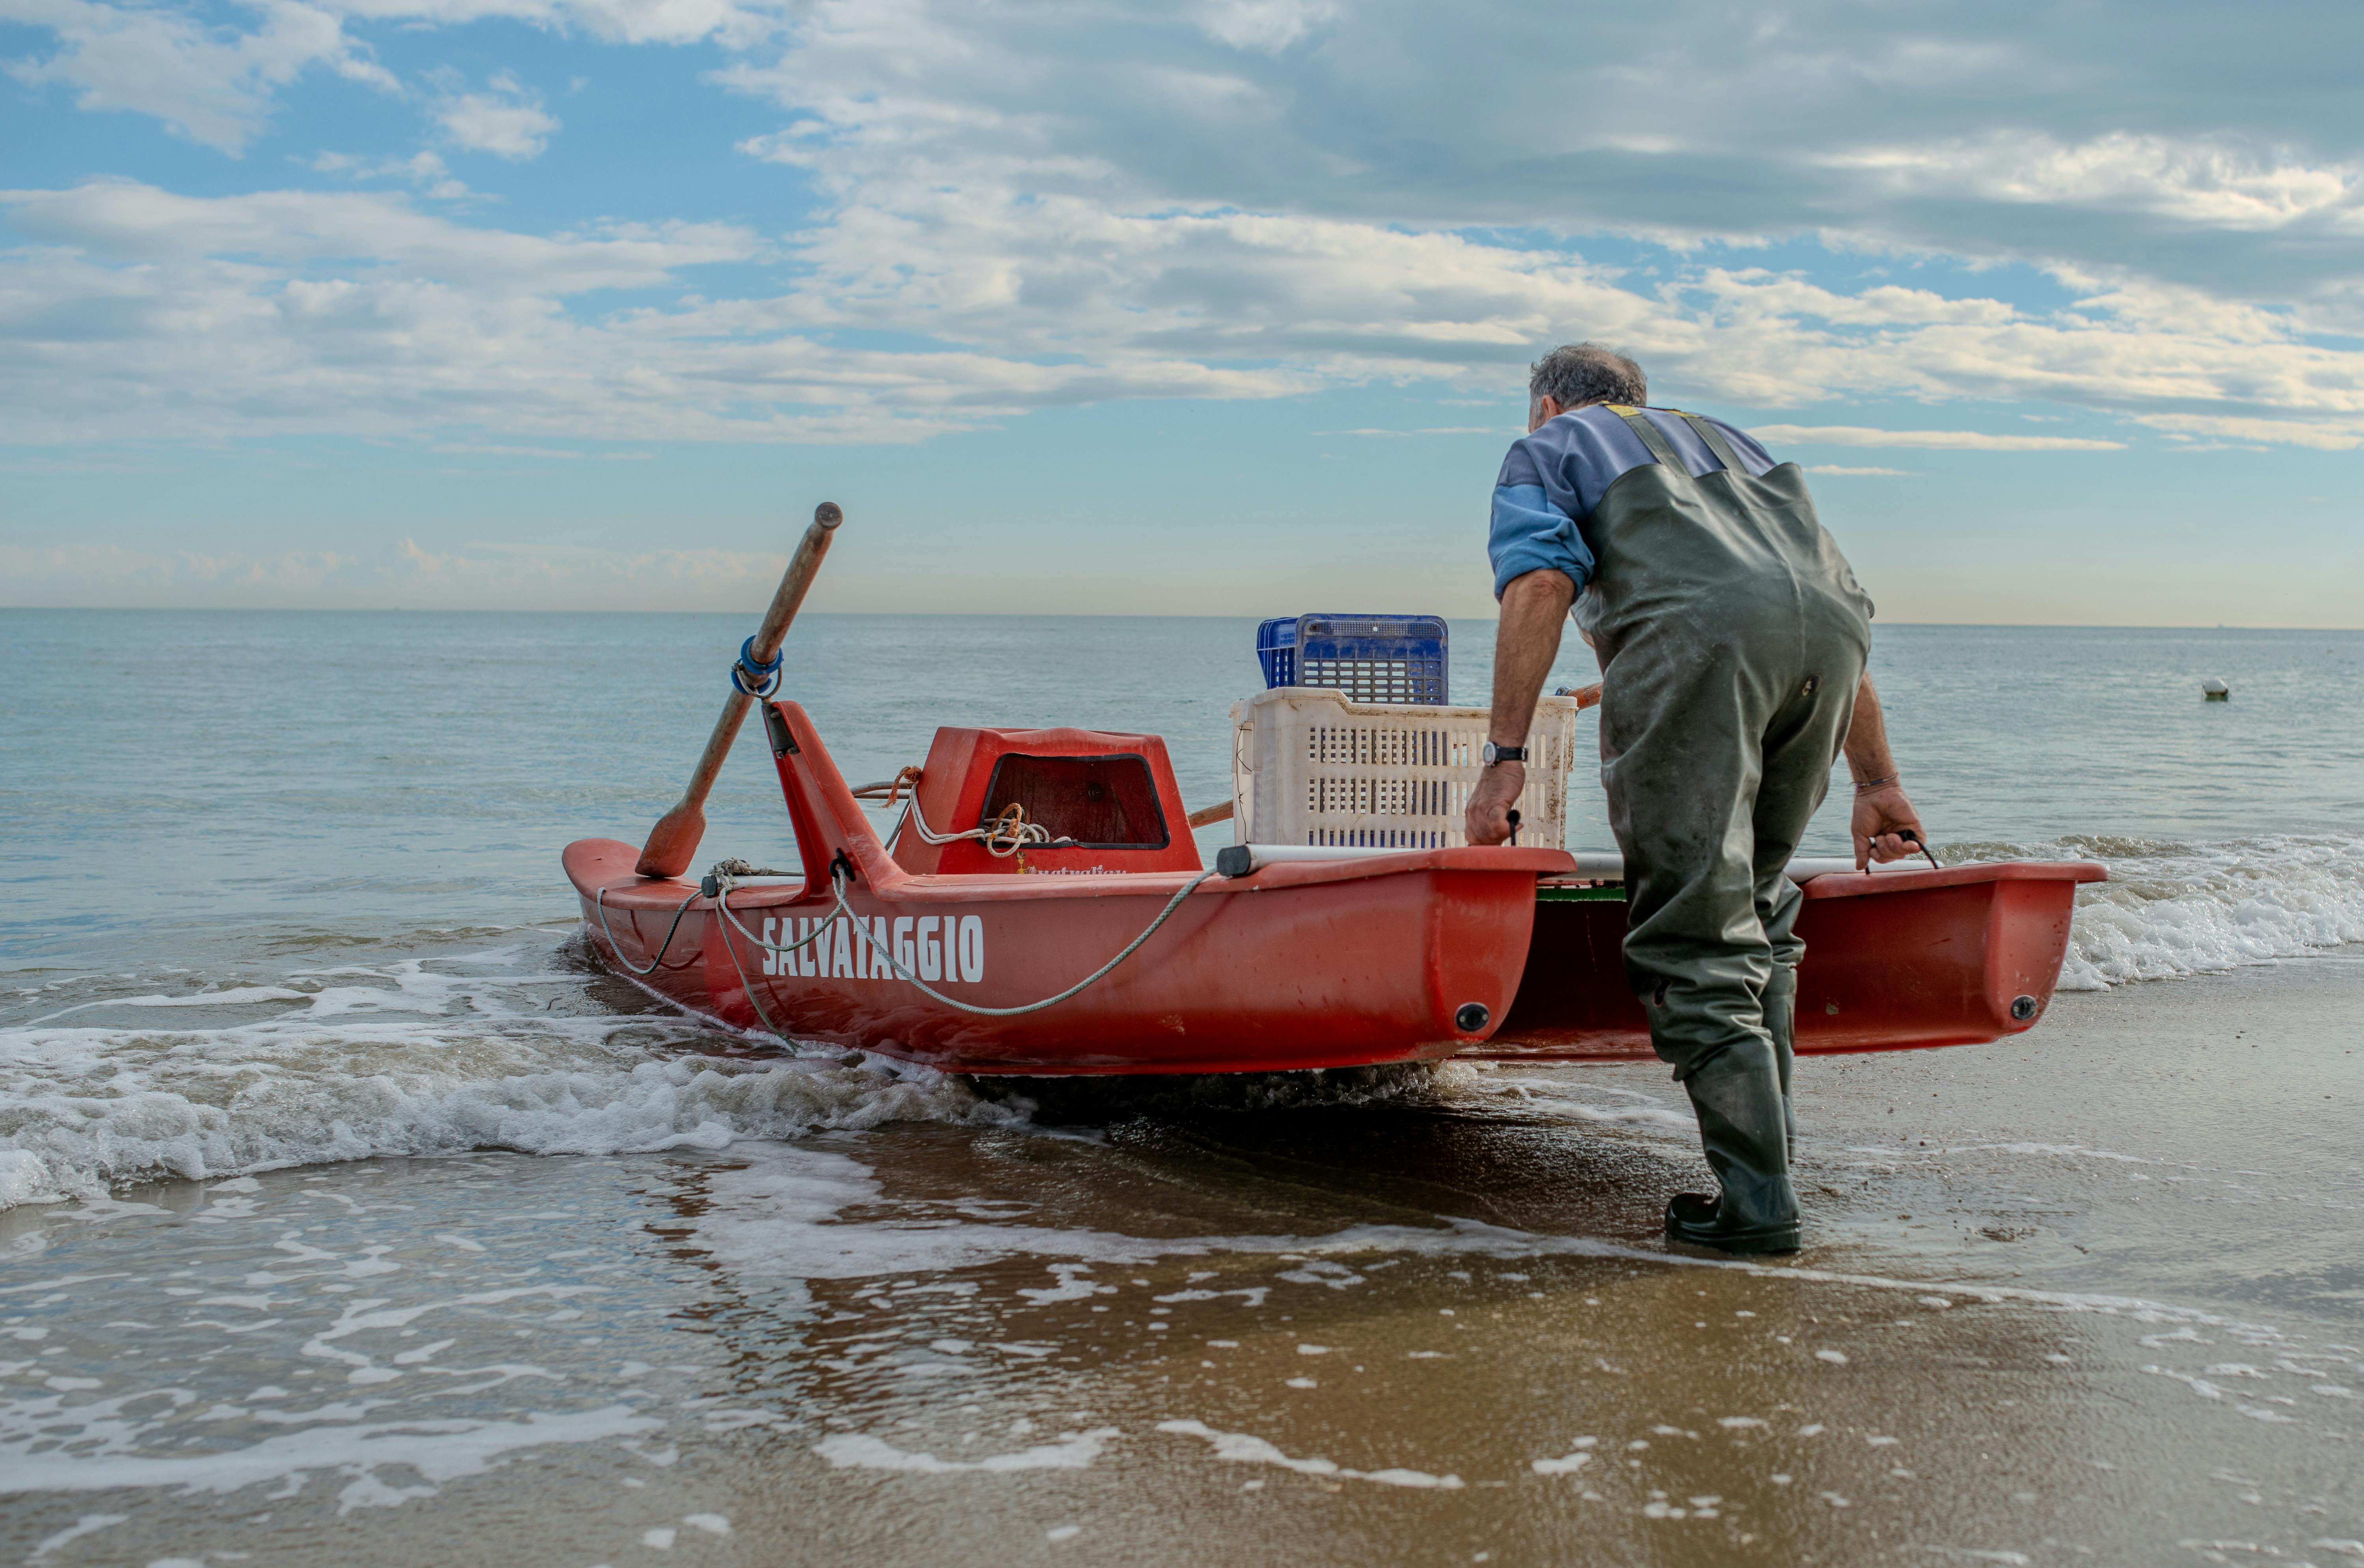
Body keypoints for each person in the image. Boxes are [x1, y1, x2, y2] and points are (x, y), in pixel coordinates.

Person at [1465, 343, 1926, 1255]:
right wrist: (1879, 782)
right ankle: (1772, 1165)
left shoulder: (1551, 447)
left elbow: (1542, 583)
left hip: (1706, 641)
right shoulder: (1731, 442)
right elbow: (1803, 602)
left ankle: (1758, 1207)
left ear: (1546, 404)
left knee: (1692, 928)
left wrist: (1506, 755)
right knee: (1756, 902)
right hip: (1828, 648)